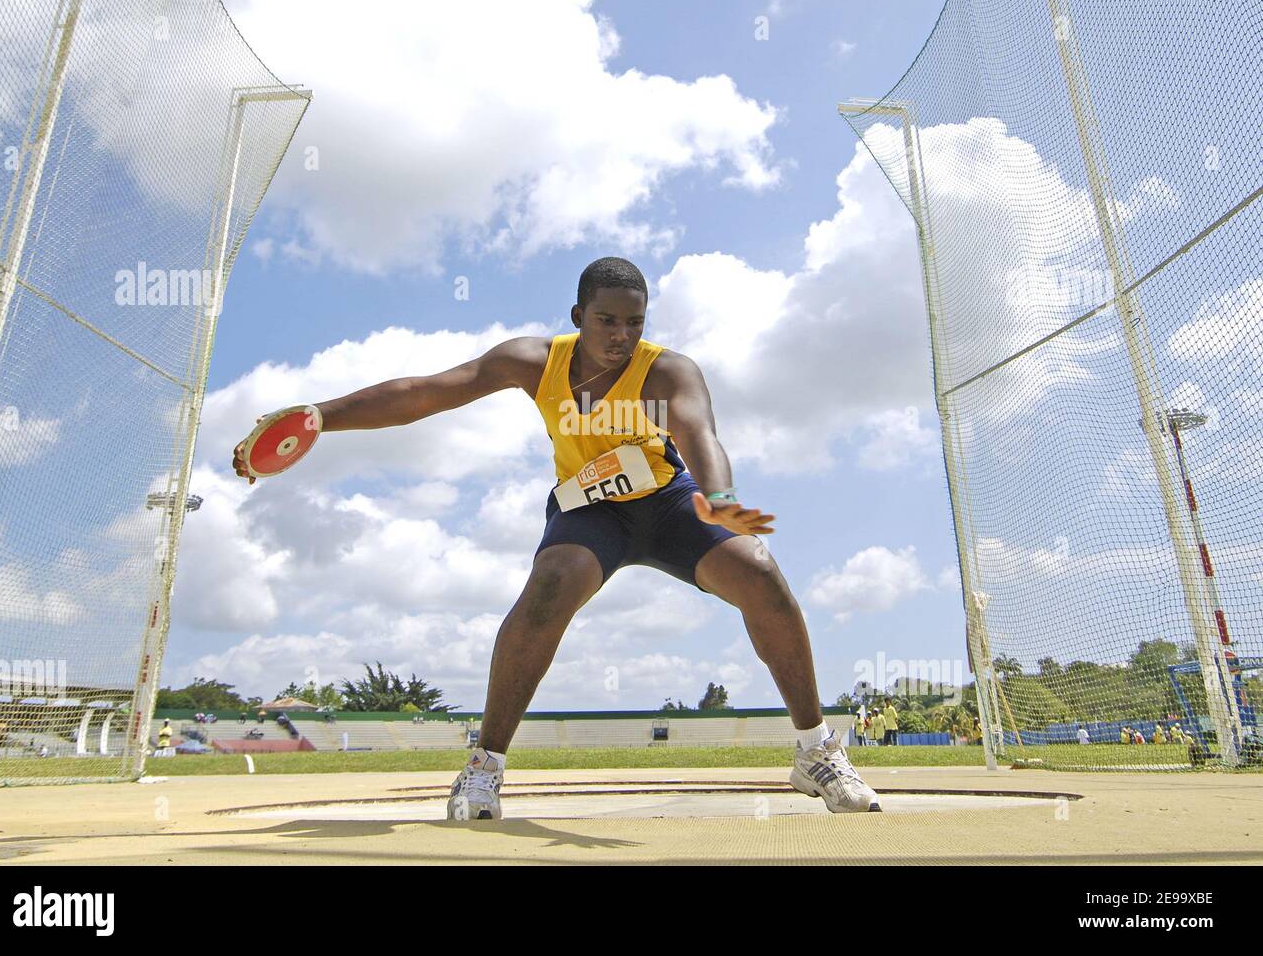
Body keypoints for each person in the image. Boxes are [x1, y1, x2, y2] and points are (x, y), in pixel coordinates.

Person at [233, 257, 880, 819]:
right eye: (607, 321)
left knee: (758, 569)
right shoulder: (533, 361)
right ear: (578, 314)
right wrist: (321, 415)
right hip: (592, 512)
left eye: (635, 322)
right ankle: (484, 765)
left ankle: (816, 750)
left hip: (672, 504)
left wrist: (721, 500)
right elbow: (428, 392)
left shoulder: (667, 372)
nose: (622, 336)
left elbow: (700, 433)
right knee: (548, 587)